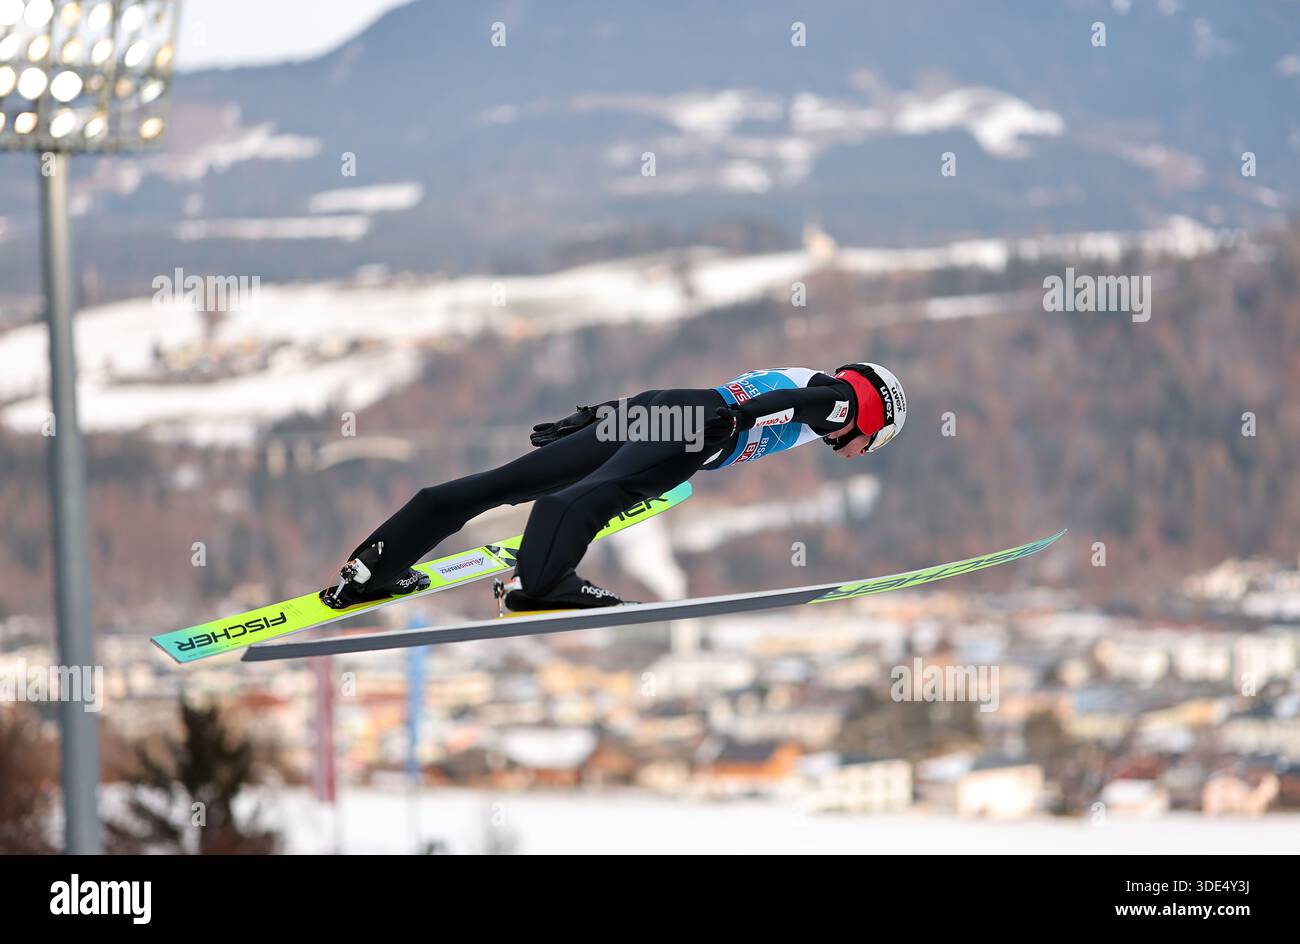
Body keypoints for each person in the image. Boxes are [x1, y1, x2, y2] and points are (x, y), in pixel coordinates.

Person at [323, 363, 907, 613]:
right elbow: (790, 403)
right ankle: (541, 583)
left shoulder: (816, 379)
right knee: (592, 495)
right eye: (869, 444)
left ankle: (375, 567)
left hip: (669, 408)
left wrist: (593, 418)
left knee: (500, 484)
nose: (857, 452)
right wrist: (740, 418)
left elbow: (673, 402)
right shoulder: (837, 401)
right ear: (872, 419)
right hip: (701, 425)